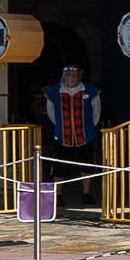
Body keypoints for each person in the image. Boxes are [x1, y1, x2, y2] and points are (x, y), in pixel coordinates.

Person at [39, 63, 106, 207]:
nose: (71, 77)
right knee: (59, 167)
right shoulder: (54, 92)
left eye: (75, 75)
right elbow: (52, 114)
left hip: (85, 136)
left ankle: (86, 194)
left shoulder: (90, 91)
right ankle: (58, 195)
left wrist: (86, 128)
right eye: (69, 74)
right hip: (63, 137)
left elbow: (96, 113)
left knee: (87, 166)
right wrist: (62, 127)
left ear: (80, 76)